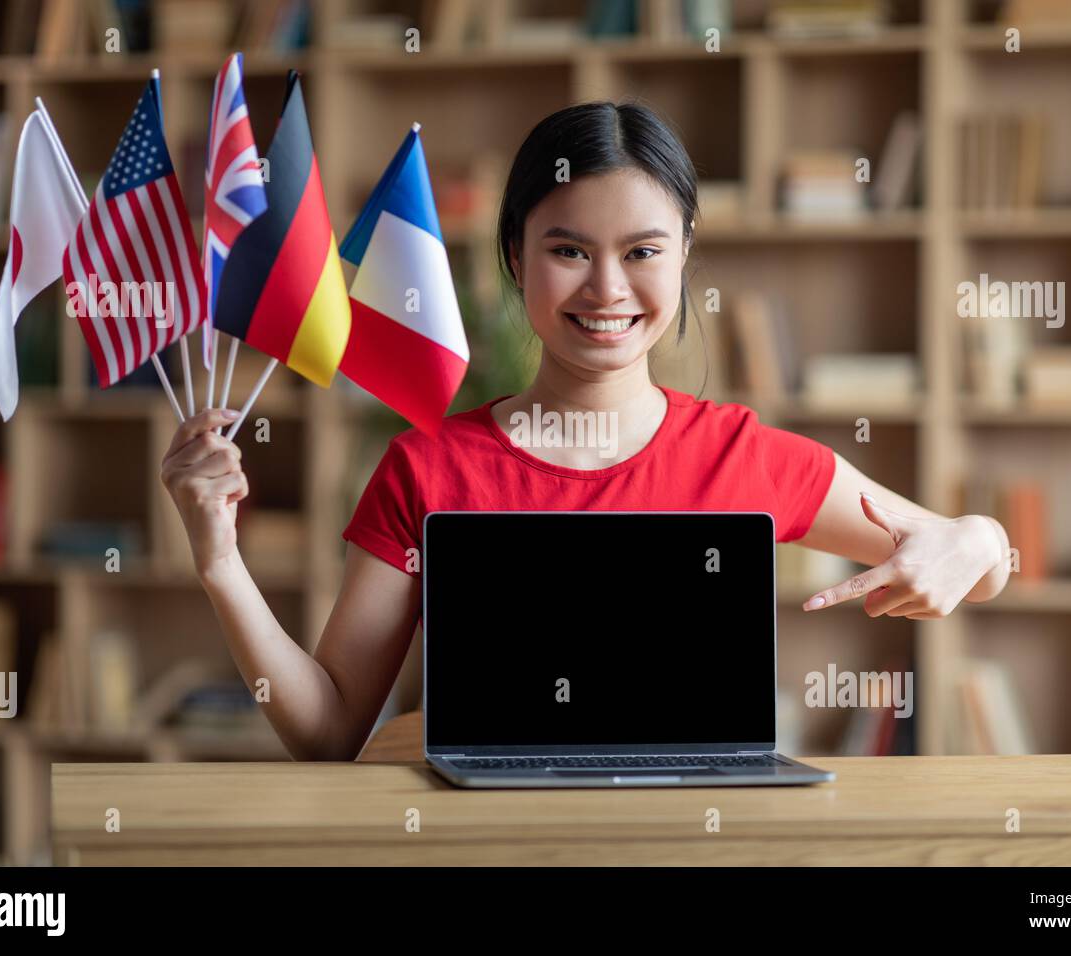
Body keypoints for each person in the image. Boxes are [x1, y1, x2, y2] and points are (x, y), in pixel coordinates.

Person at [161, 101, 1010, 761]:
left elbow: (978, 562)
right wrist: (219, 560)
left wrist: (978, 539)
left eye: (642, 252)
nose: (607, 288)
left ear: (683, 258)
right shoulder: (427, 470)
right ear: (514, 259)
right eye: (568, 250)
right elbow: (327, 731)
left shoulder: (744, 454)